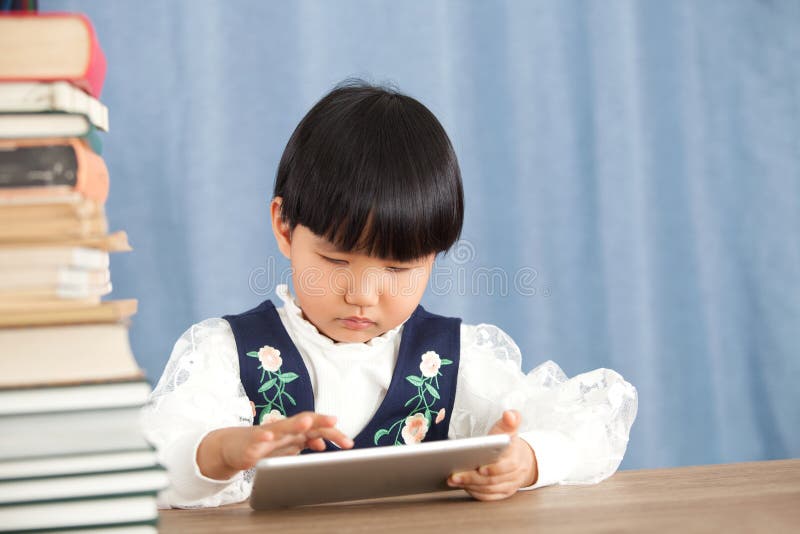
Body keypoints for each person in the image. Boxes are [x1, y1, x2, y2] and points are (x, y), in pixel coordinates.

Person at [140, 80, 638, 508]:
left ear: (434, 257)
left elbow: (590, 426)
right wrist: (224, 452)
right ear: (284, 227)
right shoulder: (228, 354)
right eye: (336, 261)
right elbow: (155, 461)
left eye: (398, 269)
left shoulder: (455, 359)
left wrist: (526, 459)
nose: (362, 294)